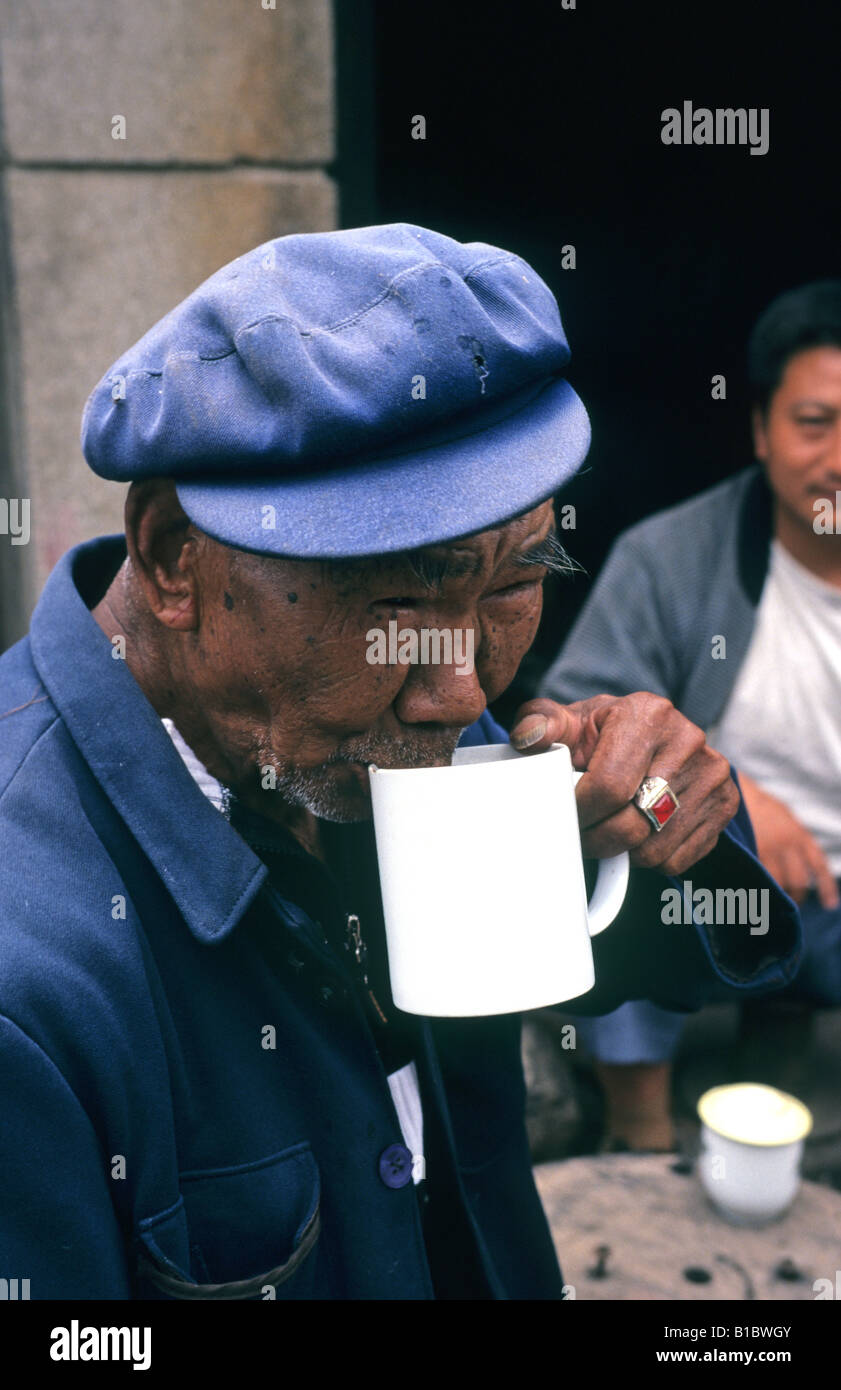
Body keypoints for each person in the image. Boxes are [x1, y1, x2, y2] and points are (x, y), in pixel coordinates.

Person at [0, 224, 799, 1299]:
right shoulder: (32, 984)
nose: (463, 691)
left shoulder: (377, 735)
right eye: (393, 601)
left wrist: (670, 817)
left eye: (514, 582)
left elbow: (647, 962)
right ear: (171, 558)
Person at [539, 280, 841, 1152]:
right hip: (726, 877)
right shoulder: (670, 558)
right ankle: (640, 1146)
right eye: (813, 422)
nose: (836, 457)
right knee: (630, 838)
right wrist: (739, 799)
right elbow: (572, 729)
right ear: (759, 430)